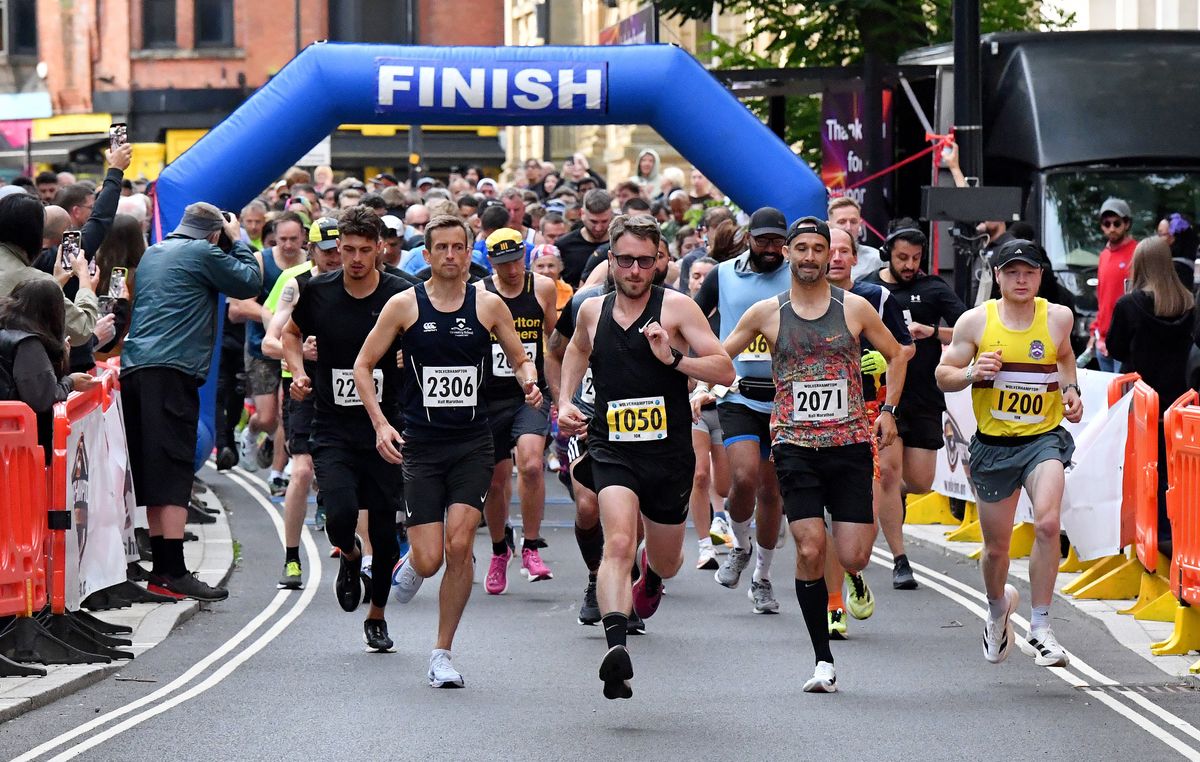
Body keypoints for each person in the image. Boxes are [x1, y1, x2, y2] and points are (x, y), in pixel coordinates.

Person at [723, 216, 908, 693]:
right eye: (800, 248)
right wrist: (684, 370)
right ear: (787, 253)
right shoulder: (767, 312)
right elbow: (722, 356)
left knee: (855, 555)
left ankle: (851, 581)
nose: (808, 257)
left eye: (817, 249)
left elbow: (898, 353)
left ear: (831, 256)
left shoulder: (856, 308)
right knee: (809, 546)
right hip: (794, 445)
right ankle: (822, 660)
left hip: (849, 445)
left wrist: (888, 410)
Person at [360, 214, 540, 689]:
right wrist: (381, 424)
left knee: (461, 545)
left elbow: (519, 355)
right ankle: (410, 566)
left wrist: (530, 382)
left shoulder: (489, 305)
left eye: (459, 247)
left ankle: (442, 653)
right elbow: (363, 364)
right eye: (441, 248)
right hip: (421, 444)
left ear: (469, 251)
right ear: (428, 253)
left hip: (472, 443)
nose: (451, 256)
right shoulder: (404, 305)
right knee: (429, 558)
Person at [557, 214, 733, 700]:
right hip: (612, 448)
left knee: (667, 559)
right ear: (611, 261)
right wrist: (566, 401)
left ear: (659, 262)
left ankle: (652, 573)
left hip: (669, 454)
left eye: (644, 261)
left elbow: (724, 368)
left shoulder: (676, 309)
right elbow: (575, 349)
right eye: (625, 260)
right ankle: (616, 649)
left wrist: (673, 360)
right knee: (616, 542)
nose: (634, 270)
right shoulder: (593, 310)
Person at [936, 238, 1081, 668]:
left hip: (1043, 439)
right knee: (996, 549)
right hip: (995, 446)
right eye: (1013, 272)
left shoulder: (1057, 317)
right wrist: (970, 371)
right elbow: (943, 375)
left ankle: (1041, 626)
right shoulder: (975, 322)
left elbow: (1066, 356)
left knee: (1049, 524)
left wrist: (1070, 390)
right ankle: (999, 609)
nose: (1022, 279)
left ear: (1041, 276)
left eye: (1030, 272)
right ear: (997, 276)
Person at [121, 203, 261, 601]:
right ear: (214, 234)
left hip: (137, 370)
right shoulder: (203, 252)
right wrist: (240, 241)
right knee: (177, 469)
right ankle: (173, 570)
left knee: (155, 471)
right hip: (171, 371)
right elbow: (249, 283)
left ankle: (165, 569)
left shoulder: (154, 252)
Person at [284, 207, 408, 650]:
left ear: (380, 249)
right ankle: (350, 557)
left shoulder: (401, 293)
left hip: (386, 426)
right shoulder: (317, 291)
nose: (354, 259)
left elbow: (422, 345)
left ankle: (377, 616)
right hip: (333, 422)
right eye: (346, 250)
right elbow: (290, 335)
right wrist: (298, 371)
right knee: (338, 516)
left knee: (383, 527)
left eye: (363, 250)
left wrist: (404, 359)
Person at [692, 207, 792, 614]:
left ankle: (763, 578)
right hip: (736, 392)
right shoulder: (722, 274)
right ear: (748, 237)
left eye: (776, 242)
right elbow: (695, 320)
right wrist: (700, 378)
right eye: (763, 240)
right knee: (744, 477)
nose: (770, 249)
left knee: (772, 492)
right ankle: (740, 545)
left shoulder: (798, 275)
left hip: (785, 396)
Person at [860, 219, 967, 589]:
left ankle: (894, 499)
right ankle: (900, 560)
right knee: (888, 473)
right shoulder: (869, 290)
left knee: (918, 481)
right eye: (902, 257)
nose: (909, 265)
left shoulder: (933, 287)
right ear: (887, 253)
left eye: (916, 258)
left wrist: (933, 332)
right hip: (883, 398)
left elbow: (972, 328)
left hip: (924, 395)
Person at [822, 228, 914, 639]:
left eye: (845, 250)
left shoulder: (875, 299)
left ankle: (854, 568)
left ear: (855, 258)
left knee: (860, 520)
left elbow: (904, 349)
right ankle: (833, 602)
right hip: (814, 423)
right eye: (831, 250)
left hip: (865, 416)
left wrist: (881, 366)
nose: (837, 257)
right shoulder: (797, 302)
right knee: (821, 519)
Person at [262, 217, 343, 589]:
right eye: (327, 252)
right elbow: (269, 342)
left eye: (339, 250)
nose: (335, 258)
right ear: (312, 251)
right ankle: (292, 558)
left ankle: (362, 553)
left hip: (346, 388)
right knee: (302, 471)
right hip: (304, 387)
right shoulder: (298, 284)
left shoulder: (357, 278)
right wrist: (299, 352)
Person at [477, 228, 559, 594]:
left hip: (530, 392)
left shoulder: (541, 288)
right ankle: (499, 550)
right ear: (491, 262)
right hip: (490, 396)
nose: (511, 270)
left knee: (529, 464)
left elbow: (555, 343)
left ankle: (531, 545)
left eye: (516, 261)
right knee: (495, 481)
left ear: (524, 257)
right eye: (502, 263)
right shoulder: (480, 292)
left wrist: (559, 394)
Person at [1106, 236, 1196, 557]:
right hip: (1182, 402)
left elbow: (1115, 348)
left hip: (1142, 400)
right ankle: (1178, 533)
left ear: (1139, 266)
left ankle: (1149, 536)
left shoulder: (1129, 306)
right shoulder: (1188, 303)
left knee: (1144, 469)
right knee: (1180, 471)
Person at [231, 211, 307, 491]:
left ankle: (278, 472)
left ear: (303, 238)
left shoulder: (308, 265)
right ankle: (251, 432)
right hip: (260, 347)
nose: (288, 245)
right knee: (267, 418)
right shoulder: (262, 260)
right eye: (282, 239)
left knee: (288, 408)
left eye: (293, 239)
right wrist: (271, 315)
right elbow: (238, 307)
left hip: (294, 349)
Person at [0, 280, 100, 457]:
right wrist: (70, 382)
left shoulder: (8, 331)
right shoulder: (28, 345)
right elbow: (42, 397)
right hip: (19, 451)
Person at [0, 193, 100, 347]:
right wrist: (85, 284)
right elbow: (81, 331)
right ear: (36, 235)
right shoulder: (35, 280)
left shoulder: (35, 280)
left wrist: (55, 284)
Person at [686, 255, 731, 569]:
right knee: (699, 475)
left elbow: (730, 366)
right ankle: (705, 546)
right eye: (696, 275)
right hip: (693, 411)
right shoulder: (679, 317)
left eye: (707, 276)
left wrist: (709, 389)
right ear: (688, 280)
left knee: (728, 483)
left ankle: (725, 519)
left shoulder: (730, 318)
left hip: (727, 406)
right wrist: (692, 390)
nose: (701, 281)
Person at [1091, 198, 1137, 373]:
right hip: (1102, 341)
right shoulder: (1104, 254)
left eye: (1116, 223)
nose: (1111, 228)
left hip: (1125, 342)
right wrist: (1095, 332)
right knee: (1108, 398)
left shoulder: (1137, 252)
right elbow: (1102, 298)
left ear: (1127, 223)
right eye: (1106, 223)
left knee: (1123, 398)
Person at [555, 189, 613, 287]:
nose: (598, 228)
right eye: (593, 222)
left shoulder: (620, 244)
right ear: (582, 214)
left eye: (604, 221)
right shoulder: (563, 245)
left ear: (611, 214)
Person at [827, 196, 883, 281]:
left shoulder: (876, 259)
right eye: (842, 222)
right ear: (829, 226)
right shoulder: (820, 259)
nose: (848, 227)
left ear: (860, 224)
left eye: (853, 222)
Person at [530, 244, 573, 312]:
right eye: (540, 266)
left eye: (551, 266)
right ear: (532, 269)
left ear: (560, 268)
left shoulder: (567, 290)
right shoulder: (525, 291)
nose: (546, 271)